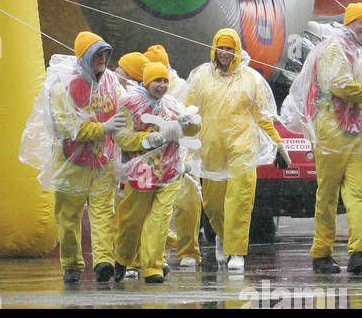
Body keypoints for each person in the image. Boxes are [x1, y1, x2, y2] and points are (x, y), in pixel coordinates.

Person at [20, 30, 124, 285]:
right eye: (97, 54)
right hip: (71, 162)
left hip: (103, 160)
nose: (102, 58)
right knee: (68, 218)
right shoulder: (63, 84)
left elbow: (126, 107)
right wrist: (103, 128)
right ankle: (72, 265)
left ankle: (103, 262)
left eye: (104, 53)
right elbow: (66, 126)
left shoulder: (111, 81)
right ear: (85, 55)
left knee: (103, 213)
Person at [182, 28, 289, 272]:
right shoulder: (200, 77)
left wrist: (278, 145)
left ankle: (237, 251)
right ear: (214, 49)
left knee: (239, 202)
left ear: (237, 50)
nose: (225, 53)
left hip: (243, 149)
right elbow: (188, 115)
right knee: (213, 204)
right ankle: (223, 236)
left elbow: (263, 117)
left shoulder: (251, 79)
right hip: (211, 151)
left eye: (230, 48)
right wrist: (186, 152)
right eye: (221, 47)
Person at [283, 2, 362, 275]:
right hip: (331, 132)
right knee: (327, 195)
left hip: (354, 132)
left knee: (357, 193)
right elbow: (338, 85)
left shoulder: (355, 49)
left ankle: (359, 253)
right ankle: (321, 253)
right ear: (350, 21)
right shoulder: (334, 47)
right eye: (360, 22)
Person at [114, 60, 197, 284]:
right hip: (141, 173)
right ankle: (122, 258)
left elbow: (192, 131)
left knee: (159, 220)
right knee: (132, 219)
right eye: (157, 81)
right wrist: (145, 139)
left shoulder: (172, 105)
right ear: (147, 81)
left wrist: (189, 123)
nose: (161, 85)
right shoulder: (130, 103)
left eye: (165, 81)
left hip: (169, 172)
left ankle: (152, 268)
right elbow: (121, 136)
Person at [142, 41, 202, 271]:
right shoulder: (142, 88)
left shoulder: (184, 88)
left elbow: (195, 122)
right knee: (155, 209)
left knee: (187, 204)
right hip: (153, 156)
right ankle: (159, 253)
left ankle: (188, 250)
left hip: (183, 154)